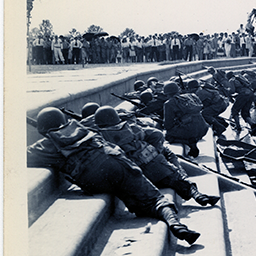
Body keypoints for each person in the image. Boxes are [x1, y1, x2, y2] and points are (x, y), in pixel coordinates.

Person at [28, 108, 200, 245]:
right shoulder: (83, 128)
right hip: (119, 162)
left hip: (94, 179)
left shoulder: (46, 144)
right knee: (155, 198)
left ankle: (172, 220)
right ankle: (175, 223)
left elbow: (23, 156)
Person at [93, 106, 219, 206]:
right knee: (174, 177)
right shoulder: (130, 128)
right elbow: (157, 134)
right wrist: (156, 151)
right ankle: (196, 194)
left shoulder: (98, 137)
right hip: (155, 166)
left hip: (134, 174)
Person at [162, 81, 210, 157]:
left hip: (190, 130)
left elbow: (168, 124)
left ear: (167, 93)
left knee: (168, 136)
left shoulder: (169, 103)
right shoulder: (190, 96)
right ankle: (192, 139)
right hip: (203, 128)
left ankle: (189, 142)